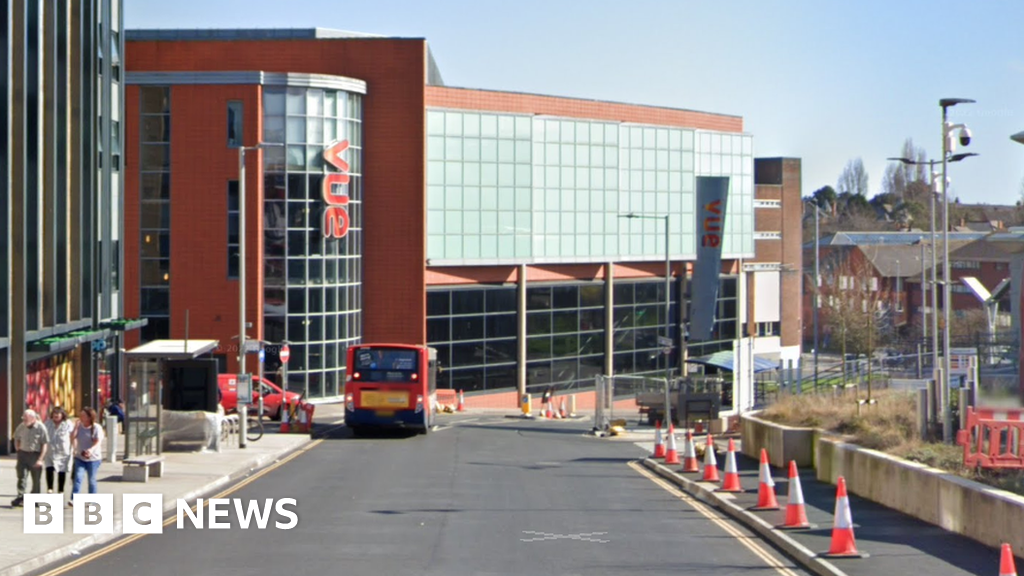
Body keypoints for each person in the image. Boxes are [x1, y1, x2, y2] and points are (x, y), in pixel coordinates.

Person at [11, 409, 49, 507]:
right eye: (23, 418)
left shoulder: (41, 427)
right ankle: (20, 496)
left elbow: (44, 444)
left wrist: (40, 459)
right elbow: (16, 437)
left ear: (33, 418)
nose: (24, 420)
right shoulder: (21, 426)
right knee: (21, 477)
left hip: (35, 455)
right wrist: (17, 449)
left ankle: (34, 499)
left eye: (26, 418)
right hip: (23, 454)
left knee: (36, 479)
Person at [70, 407, 105, 505]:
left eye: (83, 415)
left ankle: (92, 500)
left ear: (89, 417)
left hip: (93, 458)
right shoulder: (79, 426)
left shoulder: (96, 427)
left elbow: (98, 441)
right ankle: (74, 498)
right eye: (80, 415)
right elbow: (73, 438)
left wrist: (90, 450)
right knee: (78, 478)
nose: (81, 417)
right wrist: (76, 427)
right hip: (80, 457)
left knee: (91, 479)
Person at [44, 407, 73, 496]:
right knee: (49, 468)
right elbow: (43, 434)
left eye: (58, 413)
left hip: (63, 451)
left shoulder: (67, 424)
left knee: (61, 471)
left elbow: (72, 435)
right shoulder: (47, 423)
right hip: (50, 450)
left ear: (62, 414)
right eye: (54, 413)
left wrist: (73, 448)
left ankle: (61, 490)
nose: (56, 415)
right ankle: (50, 488)